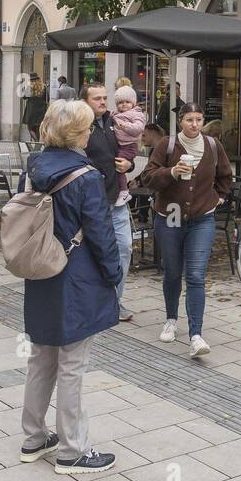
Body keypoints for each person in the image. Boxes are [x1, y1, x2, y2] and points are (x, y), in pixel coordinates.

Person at [19, 99, 122, 474]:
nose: (92, 132)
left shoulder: (34, 168)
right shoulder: (86, 176)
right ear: (77, 133)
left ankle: (33, 437)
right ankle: (73, 449)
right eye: (89, 126)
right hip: (77, 275)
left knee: (41, 357)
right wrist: (114, 274)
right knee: (73, 364)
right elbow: (100, 232)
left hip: (41, 270)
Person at [141, 102, 233, 358]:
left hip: (202, 219)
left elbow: (226, 176)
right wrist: (171, 171)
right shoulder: (167, 145)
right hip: (170, 218)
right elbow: (147, 178)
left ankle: (196, 335)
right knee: (172, 272)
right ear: (180, 121)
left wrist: (220, 198)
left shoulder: (213, 146)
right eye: (189, 119)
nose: (194, 124)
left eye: (199, 120)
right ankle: (171, 319)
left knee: (195, 275)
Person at [81, 82, 138, 323]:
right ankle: (94, 300)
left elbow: (128, 150)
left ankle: (114, 299)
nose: (103, 102)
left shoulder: (114, 122)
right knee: (93, 253)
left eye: (105, 98)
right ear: (85, 101)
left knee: (124, 248)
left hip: (117, 199)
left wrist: (130, 165)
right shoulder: (79, 126)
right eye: (97, 99)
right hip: (93, 202)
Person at [111, 85, 147, 204]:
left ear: (133, 103)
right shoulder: (116, 113)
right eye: (120, 102)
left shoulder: (136, 114)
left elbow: (138, 128)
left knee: (118, 166)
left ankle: (124, 192)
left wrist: (125, 126)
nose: (124, 105)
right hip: (121, 145)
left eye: (127, 102)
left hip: (129, 146)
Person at [23, 75, 48, 140]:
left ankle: (36, 142)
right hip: (41, 109)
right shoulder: (43, 87)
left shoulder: (29, 87)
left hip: (31, 109)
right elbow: (47, 98)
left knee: (30, 127)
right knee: (37, 128)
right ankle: (37, 145)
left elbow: (24, 97)